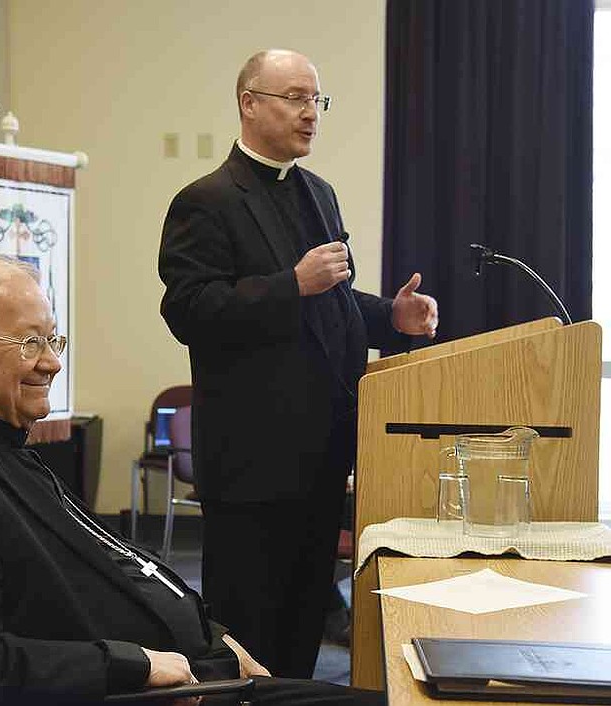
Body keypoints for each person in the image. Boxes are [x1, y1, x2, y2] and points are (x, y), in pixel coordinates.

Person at [0, 255, 386, 706]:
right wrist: (138, 666)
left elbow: (119, 565)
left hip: (200, 671)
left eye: (53, 340)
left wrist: (219, 639)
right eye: (29, 343)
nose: (51, 363)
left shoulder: (0, 447)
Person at [159, 49, 438, 679]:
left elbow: (331, 305)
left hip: (323, 456)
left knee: (305, 623)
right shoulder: (205, 201)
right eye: (294, 98)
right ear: (248, 102)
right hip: (253, 463)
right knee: (248, 631)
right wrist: (291, 284)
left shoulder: (320, 193)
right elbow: (189, 311)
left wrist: (391, 316)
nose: (310, 114)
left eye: (317, 100)